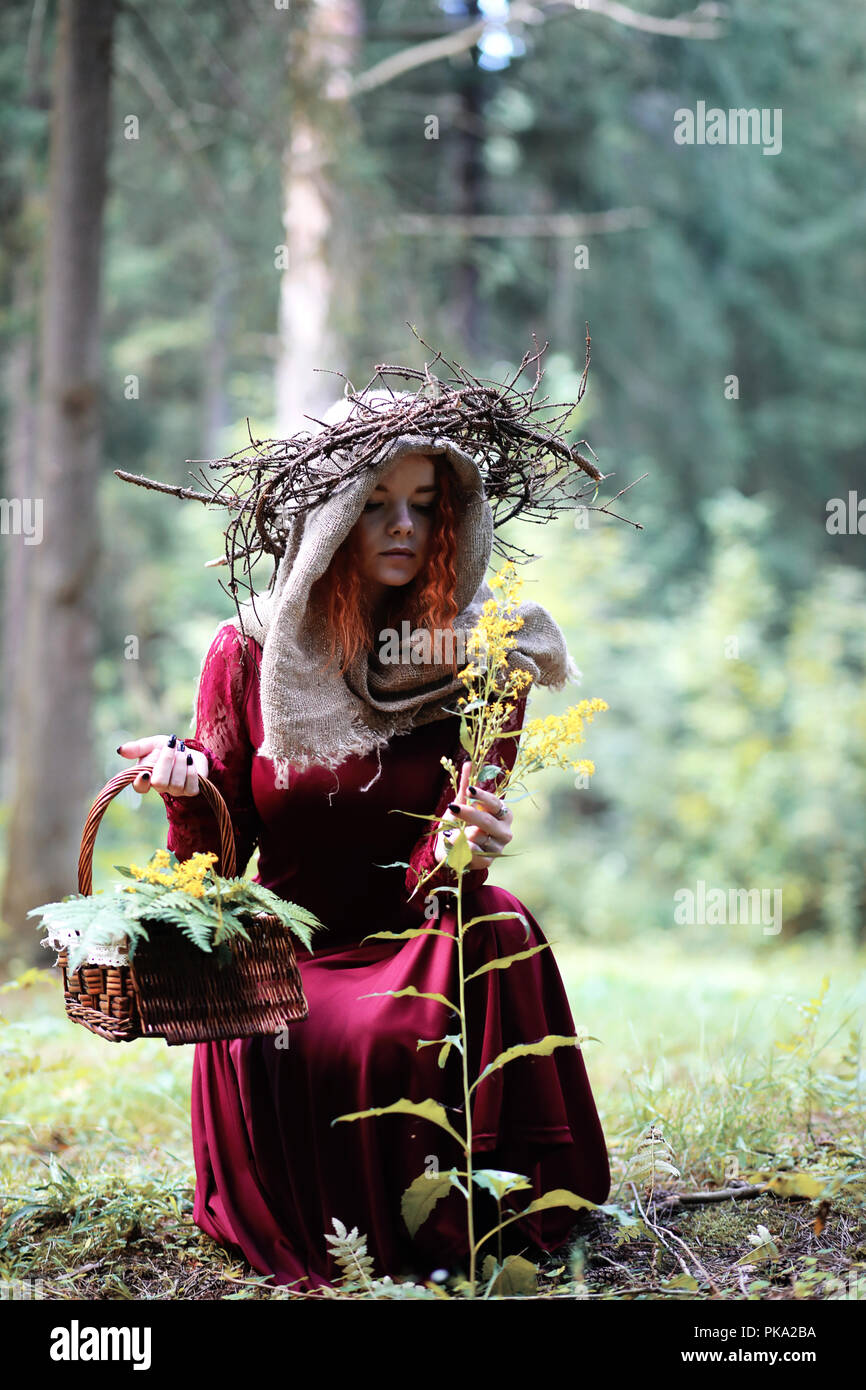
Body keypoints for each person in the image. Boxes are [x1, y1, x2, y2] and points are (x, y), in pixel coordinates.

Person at [117, 391, 611, 1291]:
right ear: (330, 515)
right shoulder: (251, 651)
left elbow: (453, 858)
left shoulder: (486, 654)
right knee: (356, 1031)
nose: (403, 525)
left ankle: (486, 1218)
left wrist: (468, 844)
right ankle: (368, 1234)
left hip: (419, 932)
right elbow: (216, 870)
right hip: (288, 953)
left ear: (455, 517)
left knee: (497, 929)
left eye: (425, 504)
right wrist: (185, 793)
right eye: (377, 501)